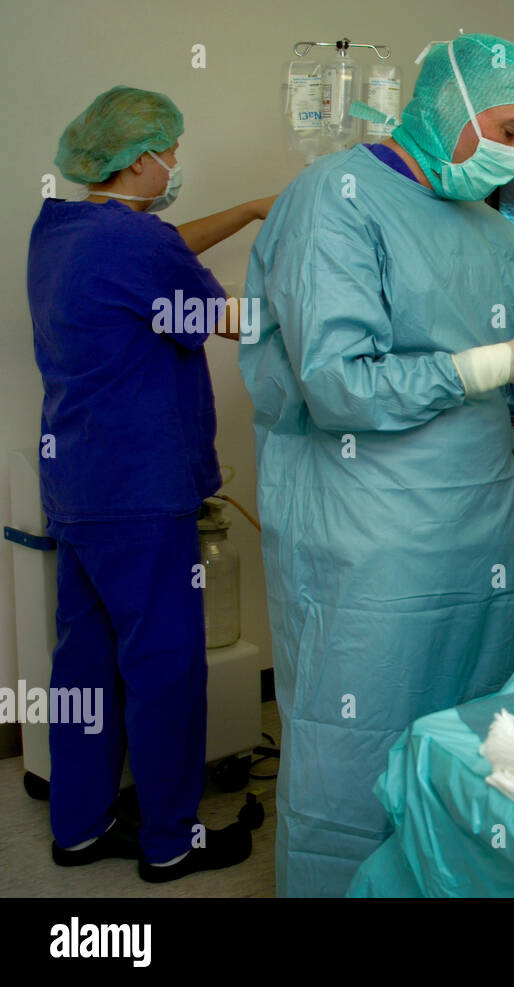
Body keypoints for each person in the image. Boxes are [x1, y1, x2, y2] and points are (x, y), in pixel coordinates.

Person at [240, 33, 514, 897]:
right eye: (512, 128)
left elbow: (481, 376)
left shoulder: (489, 227)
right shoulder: (332, 199)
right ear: (450, 105)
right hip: (370, 533)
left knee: (467, 737)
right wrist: (500, 362)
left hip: (478, 528)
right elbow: (339, 385)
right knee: (357, 740)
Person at [28, 86, 274, 882]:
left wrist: (244, 210)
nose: (175, 161)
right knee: (166, 666)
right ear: (140, 160)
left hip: (79, 485)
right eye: (169, 149)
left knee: (86, 663)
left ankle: (81, 825)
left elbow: (158, 246)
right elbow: (235, 320)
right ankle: (171, 840)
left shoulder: (63, 229)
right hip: (142, 490)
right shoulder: (138, 251)